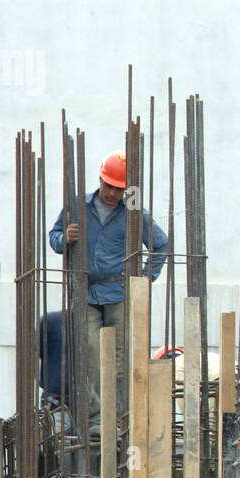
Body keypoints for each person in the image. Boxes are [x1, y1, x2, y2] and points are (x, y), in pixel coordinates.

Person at [49, 151, 168, 431]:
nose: (113, 193)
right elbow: (53, 238)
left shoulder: (135, 215)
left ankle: (120, 417)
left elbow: (160, 245)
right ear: (100, 180)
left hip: (119, 293)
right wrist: (64, 238)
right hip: (86, 294)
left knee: (121, 358)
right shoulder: (77, 206)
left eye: (119, 188)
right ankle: (95, 419)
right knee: (89, 354)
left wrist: (145, 279)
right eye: (109, 186)